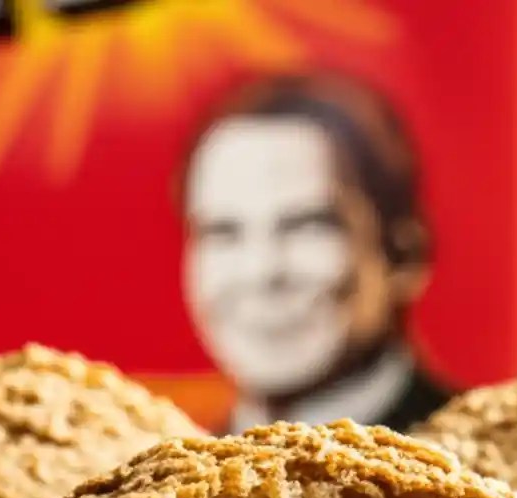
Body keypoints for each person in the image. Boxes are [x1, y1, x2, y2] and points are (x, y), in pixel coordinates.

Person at [182, 73, 449, 433]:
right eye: (223, 232)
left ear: (404, 255)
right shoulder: (170, 473)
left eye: (307, 227)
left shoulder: (490, 471)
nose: (261, 271)